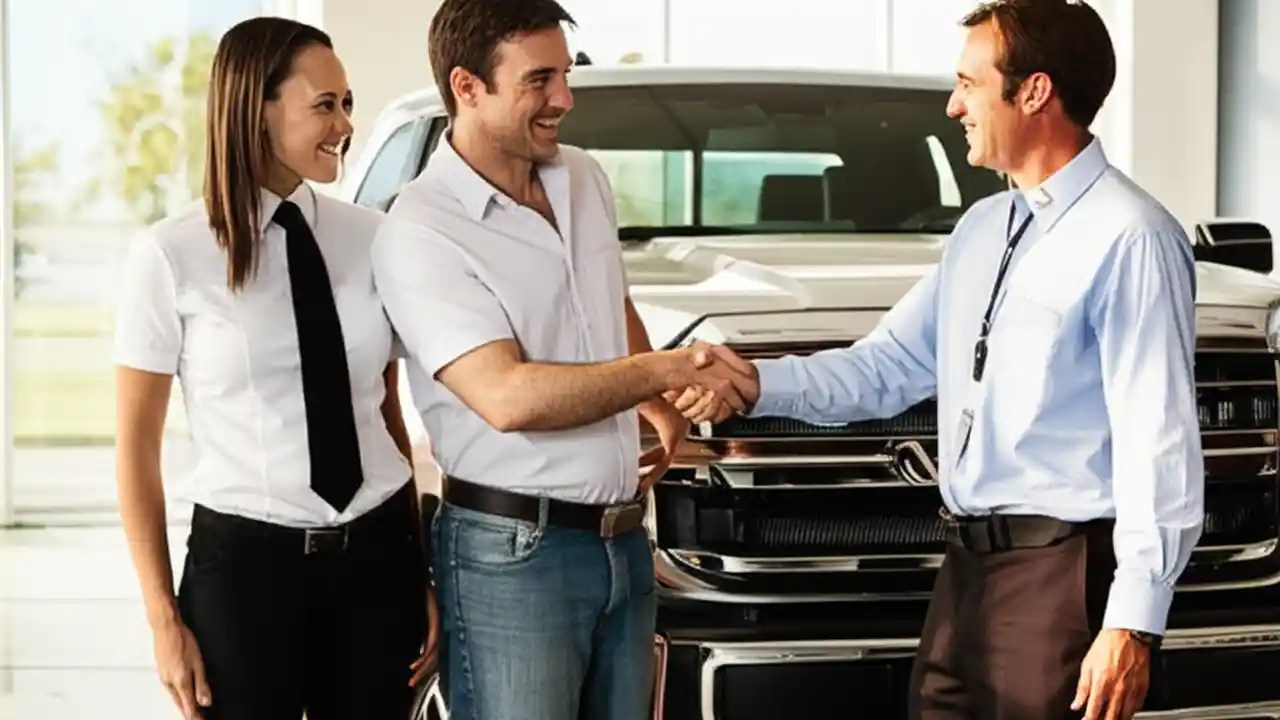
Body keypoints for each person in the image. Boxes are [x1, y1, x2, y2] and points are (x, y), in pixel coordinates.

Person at [672, 2, 1203, 719]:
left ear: (1035, 91)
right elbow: (885, 368)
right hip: (963, 575)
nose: (955, 105)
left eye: (968, 84)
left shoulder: (1132, 237)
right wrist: (756, 382)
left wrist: (1132, 623)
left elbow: (1158, 440)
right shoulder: (983, 228)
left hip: (1060, 580)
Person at [368, 1, 743, 717]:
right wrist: (661, 371)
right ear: (467, 86)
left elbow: (606, 300)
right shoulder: (421, 230)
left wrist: (656, 404)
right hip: (513, 559)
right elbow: (506, 397)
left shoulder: (584, 180)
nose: (565, 100)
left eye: (565, 74)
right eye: (539, 80)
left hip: (625, 544)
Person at [112, 16, 437, 720]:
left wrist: (418, 572)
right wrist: (163, 621)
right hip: (246, 576)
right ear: (254, 108)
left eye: (347, 104)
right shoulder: (170, 255)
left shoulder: (372, 239)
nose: (345, 124)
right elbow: (136, 454)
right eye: (325, 105)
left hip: (376, 560)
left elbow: (383, 412)